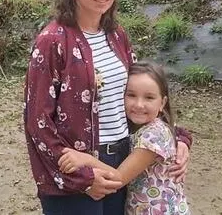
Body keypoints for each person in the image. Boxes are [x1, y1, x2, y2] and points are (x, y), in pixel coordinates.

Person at [23, 0, 192, 215]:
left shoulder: (117, 36)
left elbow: (143, 93)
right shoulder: (52, 41)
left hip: (123, 160)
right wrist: (81, 178)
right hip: (73, 170)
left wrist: (179, 140)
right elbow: (37, 122)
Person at [58, 61, 190, 214]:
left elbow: (119, 178)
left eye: (149, 97)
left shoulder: (154, 134)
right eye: (131, 95)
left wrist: (84, 159)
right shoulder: (137, 127)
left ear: (163, 103)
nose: (139, 104)